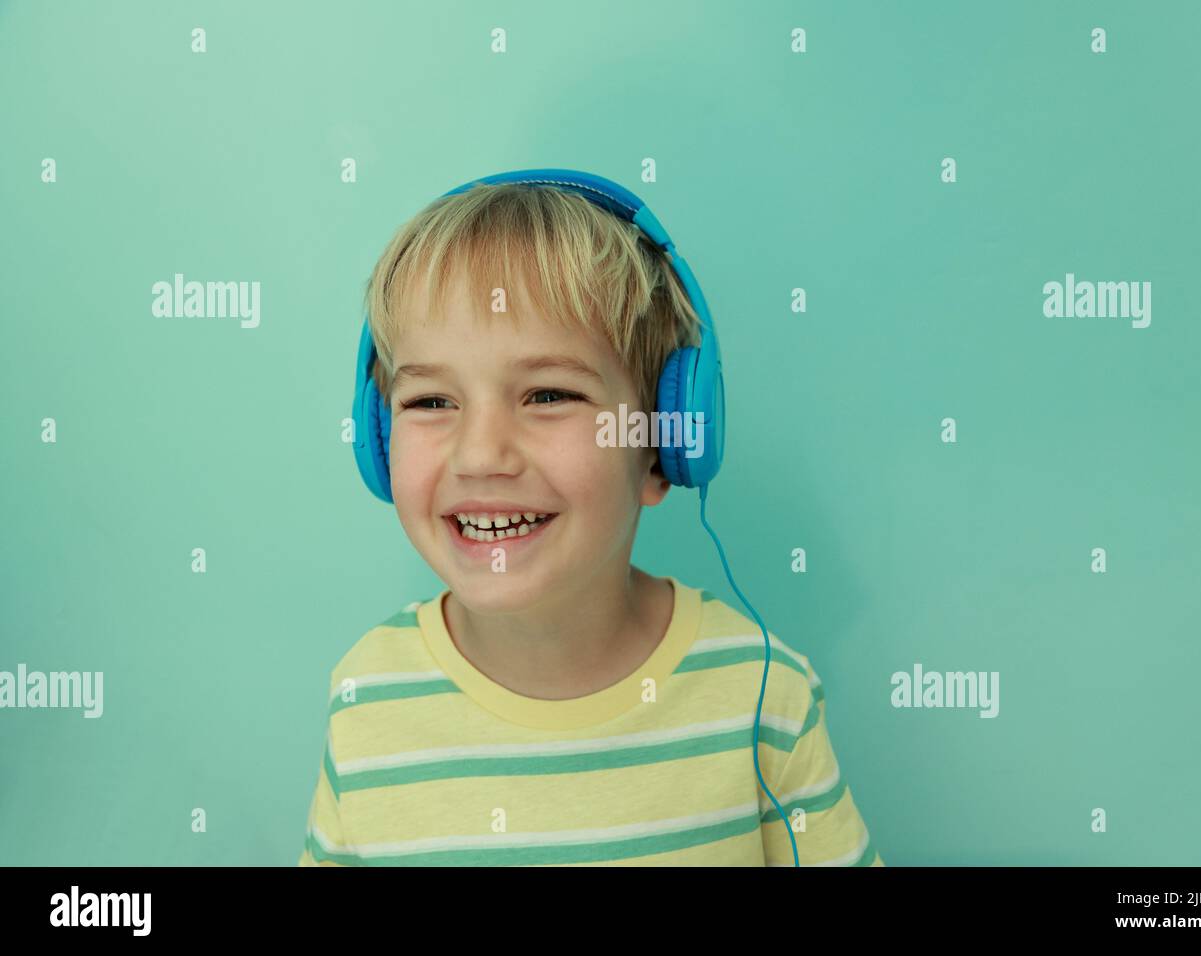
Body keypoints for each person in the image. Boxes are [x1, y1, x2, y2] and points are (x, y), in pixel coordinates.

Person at [297, 175, 883, 866]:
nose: (481, 454)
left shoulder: (760, 695)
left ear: (665, 440)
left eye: (548, 394)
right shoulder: (368, 697)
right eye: (430, 402)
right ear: (379, 438)